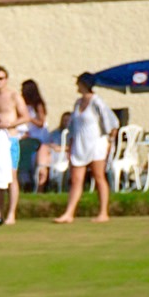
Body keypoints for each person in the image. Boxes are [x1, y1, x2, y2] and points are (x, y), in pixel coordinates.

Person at [56, 74, 119, 222]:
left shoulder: (97, 102)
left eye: (78, 83)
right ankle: (69, 213)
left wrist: (110, 141)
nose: (76, 85)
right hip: (79, 145)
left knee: (98, 177)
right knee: (76, 179)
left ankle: (103, 213)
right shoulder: (78, 103)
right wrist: (70, 146)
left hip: (96, 144)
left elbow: (112, 123)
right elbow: (73, 127)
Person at [0, 66, 33, 225]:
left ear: (6, 79)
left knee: (11, 177)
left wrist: (9, 124)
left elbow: (26, 117)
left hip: (10, 139)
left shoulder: (14, 96)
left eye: (1, 78)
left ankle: (12, 214)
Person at [20, 80, 57, 191]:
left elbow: (41, 123)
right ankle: (26, 182)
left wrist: (29, 118)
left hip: (39, 137)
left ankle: (40, 185)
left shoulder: (38, 105)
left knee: (38, 160)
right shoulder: (25, 106)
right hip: (29, 135)